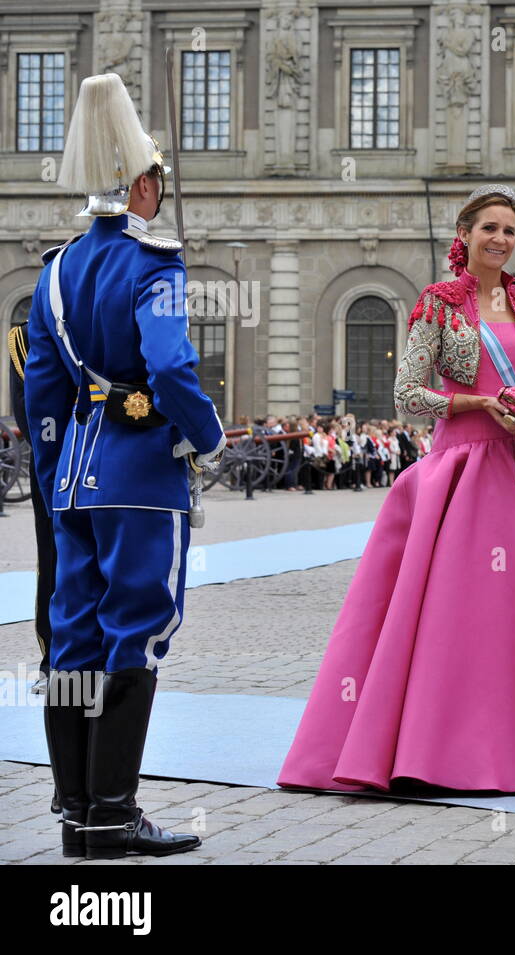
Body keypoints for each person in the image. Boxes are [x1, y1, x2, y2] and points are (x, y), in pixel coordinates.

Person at [278, 185, 515, 793]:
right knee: (462, 616)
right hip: (461, 474)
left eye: (509, 231)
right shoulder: (439, 303)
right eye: (489, 229)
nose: (501, 239)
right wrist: (479, 402)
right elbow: (407, 393)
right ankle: (440, 750)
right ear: (465, 235)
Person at [24, 73, 226, 858]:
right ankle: (113, 813)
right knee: (136, 635)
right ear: (143, 185)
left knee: (73, 639)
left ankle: (76, 815)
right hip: (140, 473)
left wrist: (54, 476)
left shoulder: (55, 271)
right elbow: (170, 368)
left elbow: (42, 390)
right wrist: (206, 435)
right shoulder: (156, 263)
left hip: (73, 473)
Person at [6, 321, 56, 696]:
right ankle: (54, 660)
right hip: (53, 465)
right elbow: (29, 413)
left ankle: (115, 662)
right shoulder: (26, 337)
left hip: (106, 459)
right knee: (55, 560)